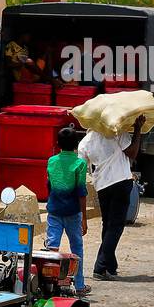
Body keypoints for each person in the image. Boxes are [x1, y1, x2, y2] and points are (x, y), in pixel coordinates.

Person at [79, 114, 145, 281]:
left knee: (108, 225)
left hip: (102, 185)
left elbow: (82, 166)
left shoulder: (85, 142)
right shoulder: (117, 133)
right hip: (121, 181)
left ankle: (110, 265)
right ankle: (100, 267)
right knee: (115, 226)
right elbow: (133, 153)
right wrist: (138, 130)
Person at [44, 126, 90, 295]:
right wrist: (84, 219)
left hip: (54, 211)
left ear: (58, 144)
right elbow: (81, 193)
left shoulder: (52, 161)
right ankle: (79, 286)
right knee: (76, 248)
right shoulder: (80, 163)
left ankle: (49, 284)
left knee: (52, 249)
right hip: (72, 212)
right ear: (76, 145)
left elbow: (49, 185)